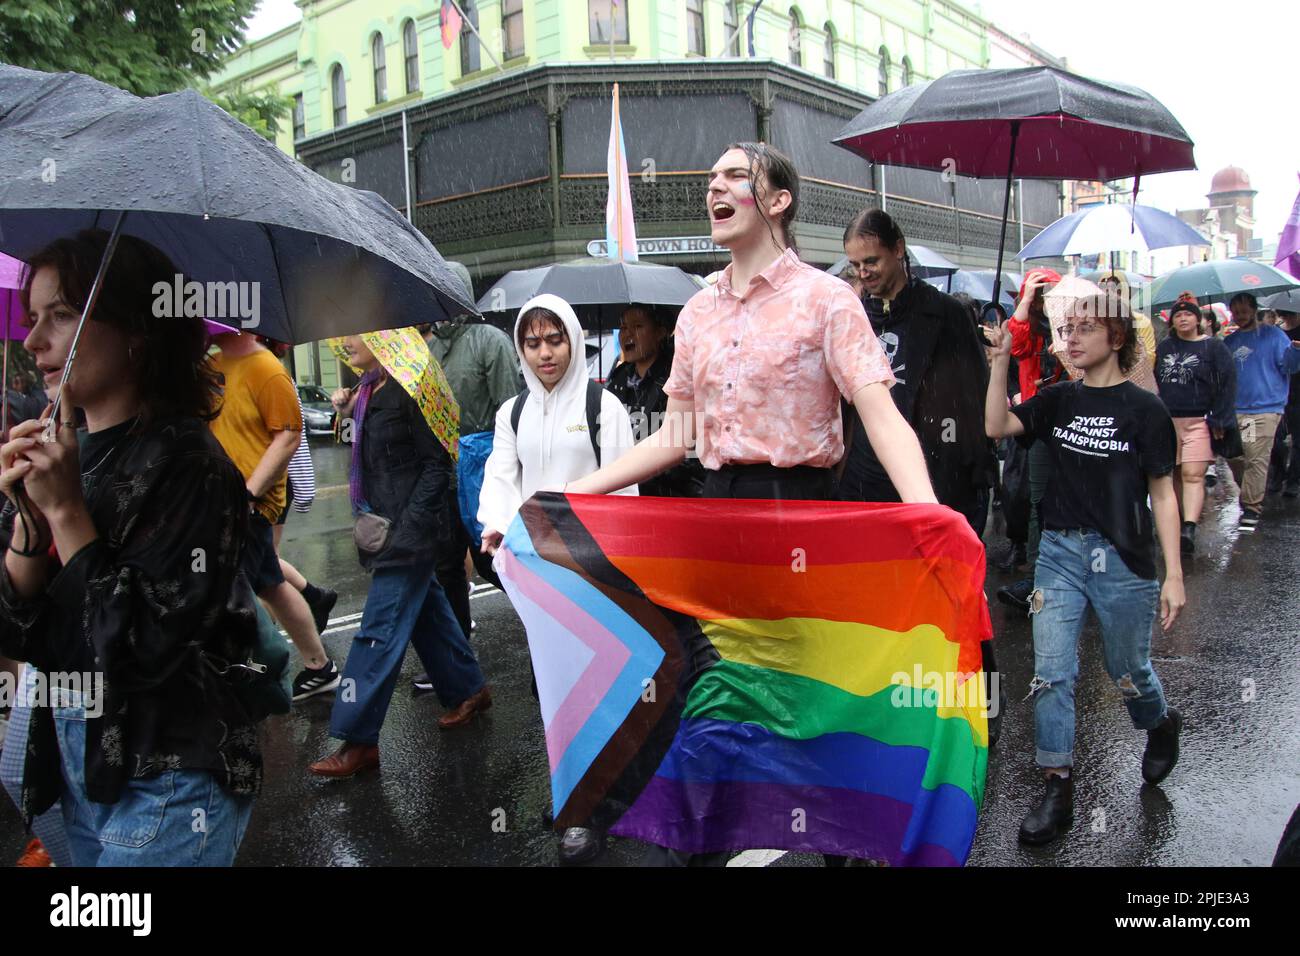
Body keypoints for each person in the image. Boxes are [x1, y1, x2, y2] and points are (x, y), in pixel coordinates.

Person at [566, 142, 940, 866]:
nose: (715, 186)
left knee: (810, 709)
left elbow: (881, 414)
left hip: (801, 516)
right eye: (710, 178)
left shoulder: (828, 300)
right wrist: (581, 490)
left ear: (777, 201)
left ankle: (843, 843)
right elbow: (677, 433)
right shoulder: (698, 311)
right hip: (720, 516)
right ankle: (710, 842)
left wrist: (924, 509)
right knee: (715, 701)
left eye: (735, 176)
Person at [0, 230, 262, 865]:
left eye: (61, 315)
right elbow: (16, 629)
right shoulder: (68, 456)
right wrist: (30, 521)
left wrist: (64, 510)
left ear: (138, 331)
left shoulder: (191, 464)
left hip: (166, 778)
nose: (34, 342)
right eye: (33, 318)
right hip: (78, 762)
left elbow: (142, 647)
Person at [984, 289, 1185, 847]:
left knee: (1128, 670)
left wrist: (1174, 575)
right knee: (1052, 672)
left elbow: (1163, 495)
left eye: (1082, 329)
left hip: (1124, 558)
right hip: (1061, 555)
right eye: (1066, 329)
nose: (1068, 338)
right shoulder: (1057, 399)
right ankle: (1057, 788)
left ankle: (1159, 722)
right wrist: (1001, 360)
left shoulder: (1147, 411)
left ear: (1116, 338)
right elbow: (996, 427)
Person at [478, 293, 638, 864]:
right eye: (532, 342)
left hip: (593, 571)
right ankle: (577, 793)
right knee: (552, 690)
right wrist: (495, 527)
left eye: (555, 339)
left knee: (592, 689)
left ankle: (586, 808)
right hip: (538, 577)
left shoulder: (604, 407)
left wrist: (622, 564)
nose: (545, 353)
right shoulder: (512, 412)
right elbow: (501, 478)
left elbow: (626, 488)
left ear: (573, 339)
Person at [309, 330, 491, 778]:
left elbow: (436, 465)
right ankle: (468, 688)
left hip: (410, 535)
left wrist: (406, 531)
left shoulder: (415, 386)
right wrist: (346, 413)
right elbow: (366, 458)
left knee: (377, 631)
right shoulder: (369, 388)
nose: (344, 342)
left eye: (354, 333)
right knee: (429, 615)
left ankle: (357, 739)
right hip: (385, 529)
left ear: (382, 336)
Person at [838, 208, 995, 535]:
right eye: (855, 265)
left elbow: (971, 399)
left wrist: (973, 478)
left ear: (898, 249)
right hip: (862, 482)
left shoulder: (945, 313)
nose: (863, 273)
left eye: (871, 261)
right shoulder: (851, 314)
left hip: (930, 478)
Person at [210, 330, 339, 700]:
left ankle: (262, 677)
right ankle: (319, 666)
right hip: (222, 500)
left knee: (239, 590)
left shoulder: (266, 368)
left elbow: (288, 438)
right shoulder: (212, 366)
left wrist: (249, 493)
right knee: (270, 582)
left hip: (248, 504)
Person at [256, 336, 337, 634]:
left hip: (273, 481)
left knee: (264, 562)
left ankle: (270, 640)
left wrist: (302, 487)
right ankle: (314, 597)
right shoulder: (254, 370)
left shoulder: (271, 374)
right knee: (263, 560)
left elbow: (293, 440)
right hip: (269, 480)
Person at [998, 268, 1064, 614]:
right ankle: (1039, 576)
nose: (1041, 299)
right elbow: (1015, 341)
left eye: (1046, 292)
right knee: (1033, 497)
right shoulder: (1030, 329)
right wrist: (1025, 299)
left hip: (1072, 421)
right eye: (1035, 292)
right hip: (1034, 420)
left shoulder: (1071, 323)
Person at [1154, 294, 1237, 554]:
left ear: (1198, 319)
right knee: (1174, 474)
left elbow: (1227, 383)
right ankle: (1178, 521)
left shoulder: (1213, 348)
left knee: (1193, 474)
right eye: (1178, 315)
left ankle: (1189, 526)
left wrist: (1220, 418)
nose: (1183, 318)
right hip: (1168, 420)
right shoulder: (1165, 347)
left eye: (1188, 314)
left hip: (1200, 420)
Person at [605, 303, 705, 497]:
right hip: (623, 491)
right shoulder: (618, 377)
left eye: (637, 326)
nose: (628, 334)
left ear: (660, 332)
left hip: (671, 496)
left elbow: (685, 452)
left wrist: (639, 461)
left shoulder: (678, 379)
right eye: (624, 327)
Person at [1222, 292, 1300, 530]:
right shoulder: (1230, 342)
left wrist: (1295, 351)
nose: (1240, 316)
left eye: (1244, 311)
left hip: (1265, 409)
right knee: (1237, 457)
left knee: (1255, 458)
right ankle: (1251, 495)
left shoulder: (1274, 335)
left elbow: (1289, 367)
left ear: (1254, 310)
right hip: (1236, 409)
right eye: (1235, 312)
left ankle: (1251, 507)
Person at [1266, 308, 1300, 498]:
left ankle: (1294, 480)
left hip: (1299, 394)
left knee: (1299, 442)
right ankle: (1278, 473)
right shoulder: (1277, 333)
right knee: (1275, 438)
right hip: (1279, 394)